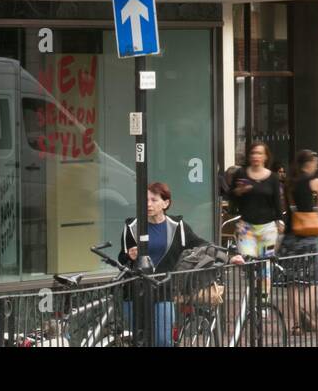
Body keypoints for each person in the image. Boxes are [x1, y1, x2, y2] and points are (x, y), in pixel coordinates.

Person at [118, 182, 221, 347]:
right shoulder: (132, 226)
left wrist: (230, 256)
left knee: (162, 340)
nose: (148, 204)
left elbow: (199, 243)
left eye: (154, 200)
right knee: (139, 341)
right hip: (134, 291)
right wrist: (129, 256)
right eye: (145, 200)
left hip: (163, 290)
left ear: (166, 203)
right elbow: (122, 258)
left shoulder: (176, 226)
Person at [281, 149, 318, 332]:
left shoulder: (289, 183)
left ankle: (297, 324)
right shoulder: (315, 182)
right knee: (314, 280)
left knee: (293, 283)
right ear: (310, 163)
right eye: (316, 163)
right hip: (308, 237)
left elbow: (286, 209)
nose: (317, 166)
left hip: (289, 238)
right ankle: (306, 314)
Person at [227, 141, 285, 258]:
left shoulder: (273, 177)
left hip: (268, 228)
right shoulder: (241, 173)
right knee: (247, 261)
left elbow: (277, 202)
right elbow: (230, 197)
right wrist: (238, 192)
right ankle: (251, 277)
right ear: (249, 156)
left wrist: (280, 221)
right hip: (246, 227)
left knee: (266, 263)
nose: (255, 156)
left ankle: (265, 277)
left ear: (265, 157)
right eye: (253, 153)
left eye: (259, 153)